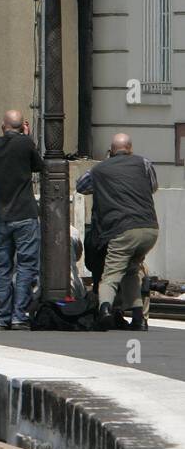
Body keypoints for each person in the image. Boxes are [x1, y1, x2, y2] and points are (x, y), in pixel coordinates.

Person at [75, 132, 159, 331]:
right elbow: (153, 187)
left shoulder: (100, 170)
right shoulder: (144, 163)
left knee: (111, 273)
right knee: (131, 270)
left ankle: (105, 311)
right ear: (130, 149)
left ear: (111, 151)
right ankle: (138, 319)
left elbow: (81, 186)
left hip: (122, 229)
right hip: (149, 229)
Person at [0, 109, 44, 330]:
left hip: (2, 216)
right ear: (22, 126)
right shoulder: (25, 144)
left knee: (3, 267)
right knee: (26, 266)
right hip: (25, 215)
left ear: (3, 126)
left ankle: (1, 318)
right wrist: (26, 137)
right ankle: (19, 316)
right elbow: (39, 166)